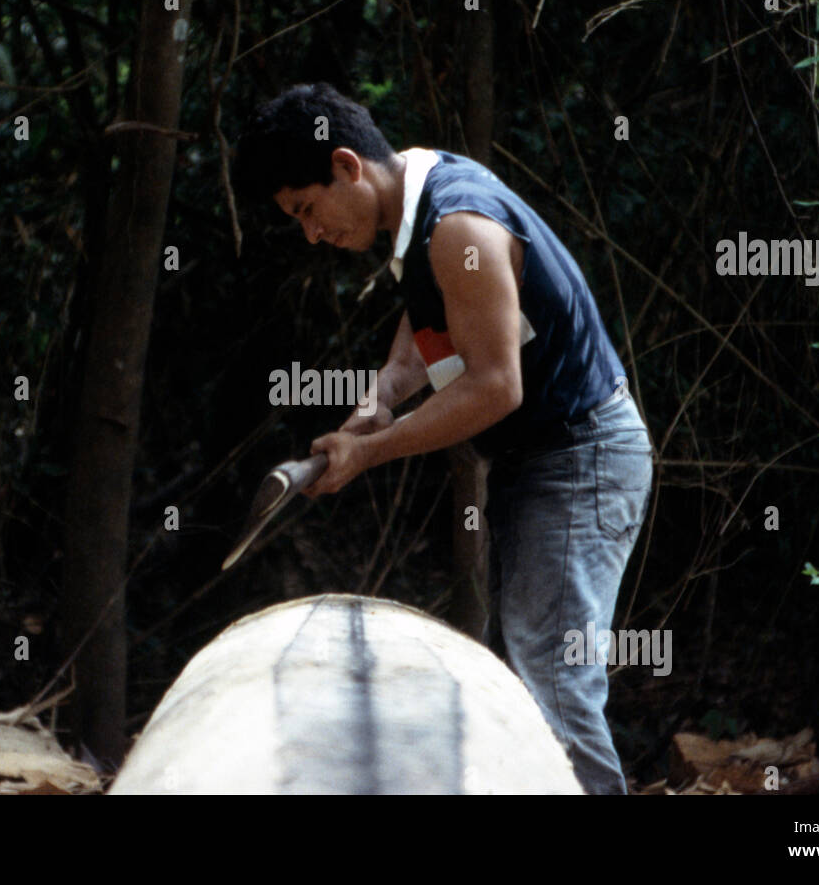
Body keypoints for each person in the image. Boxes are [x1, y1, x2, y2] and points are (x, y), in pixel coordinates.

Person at [232, 82, 653, 795]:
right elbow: (435, 312)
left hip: (582, 454)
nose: (311, 233)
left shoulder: (457, 223)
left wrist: (368, 450)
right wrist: (384, 394)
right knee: (526, 678)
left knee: (549, 678)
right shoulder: (418, 196)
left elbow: (495, 385)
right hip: (543, 459)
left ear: (345, 165)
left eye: (307, 210)